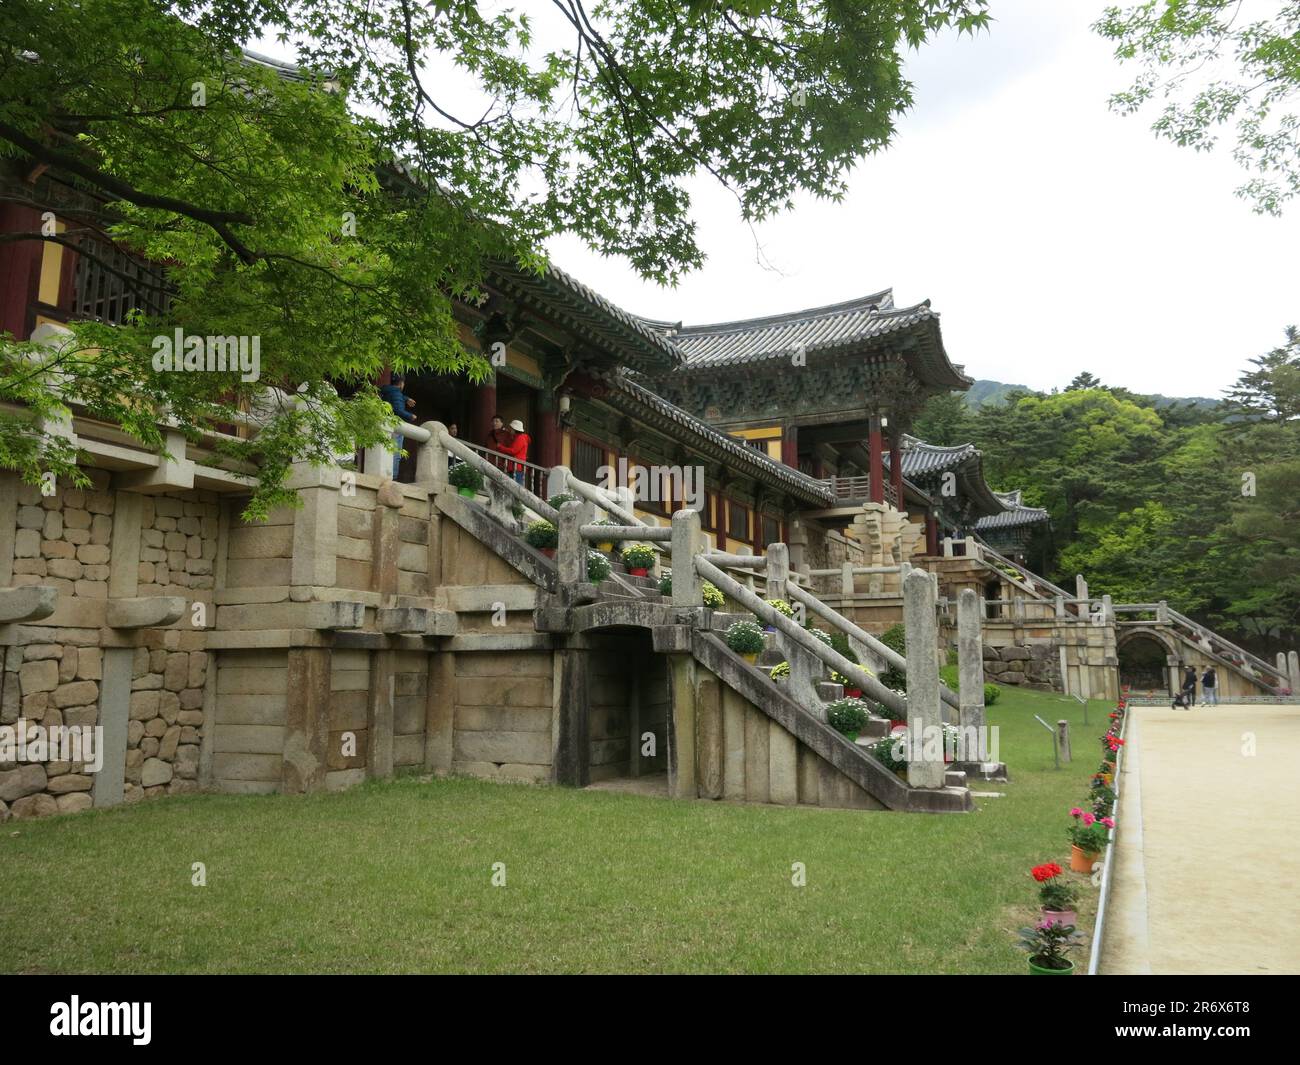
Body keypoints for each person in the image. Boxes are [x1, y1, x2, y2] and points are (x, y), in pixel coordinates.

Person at [378, 374, 417, 479]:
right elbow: (398, 410)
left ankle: (385, 474)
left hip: (384, 425)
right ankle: (393, 476)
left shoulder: (385, 390)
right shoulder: (397, 393)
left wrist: (406, 398)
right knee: (396, 453)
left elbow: (394, 397)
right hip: (395, 427)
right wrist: (411, 416)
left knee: (385, 450)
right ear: (401, 384)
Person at [504, 418, 531, 485]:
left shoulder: (520, 438)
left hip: (517, 467)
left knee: (517, 487)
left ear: (514, 429)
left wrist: (500, 447)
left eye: (511, 428)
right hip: (514, 466)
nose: (510, 430)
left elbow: (513, 451)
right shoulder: (517, 437)